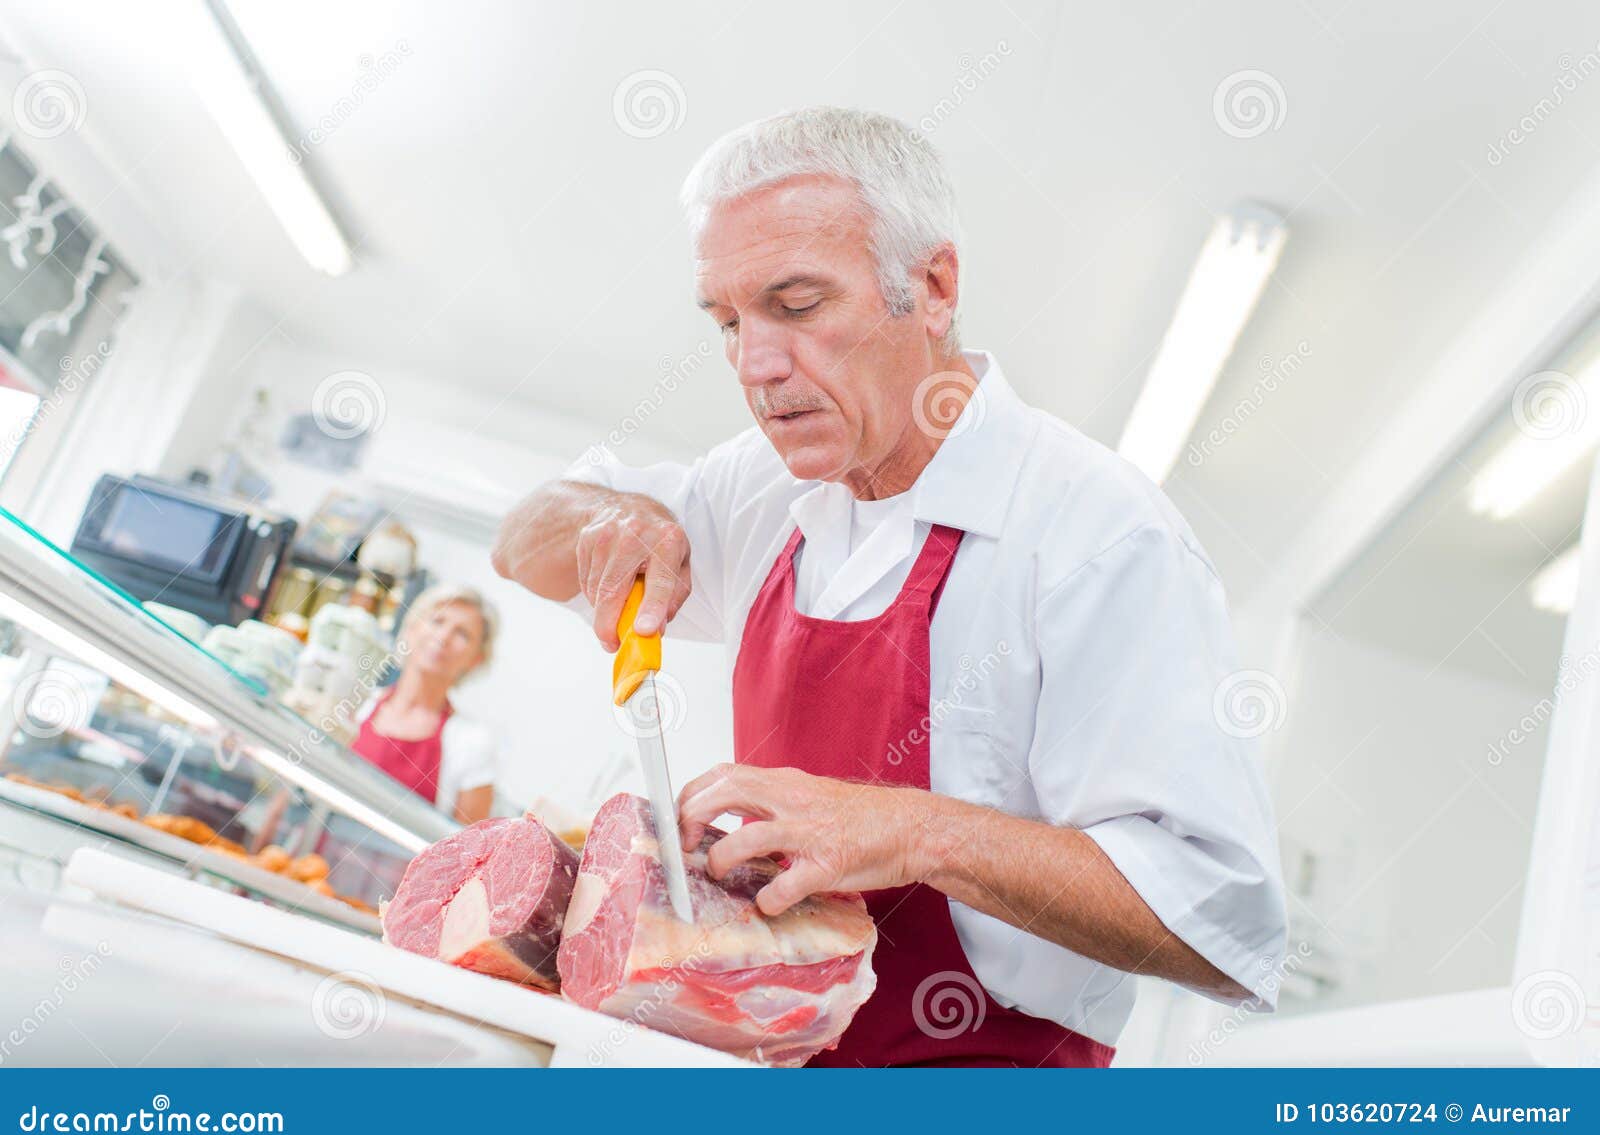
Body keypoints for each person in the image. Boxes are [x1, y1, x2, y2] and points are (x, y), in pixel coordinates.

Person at [492, 107, 1286, 1067]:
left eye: (797, 304)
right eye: (729, 321)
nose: (755, 364)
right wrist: (607, 521)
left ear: (933, 288)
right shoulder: (766, 482)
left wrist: (913, 833)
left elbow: (1223, 922)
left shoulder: (1093, 531)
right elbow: (520, 541)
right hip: (759, 1057)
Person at [350, 584, 500, 824]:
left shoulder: (473, 743)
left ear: (476, 659)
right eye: (437, 621)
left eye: (462, 634)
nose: (443, 637)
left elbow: (468, 851)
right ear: (411, 629)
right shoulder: (355, 704)